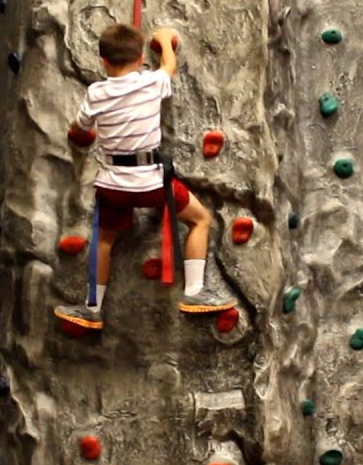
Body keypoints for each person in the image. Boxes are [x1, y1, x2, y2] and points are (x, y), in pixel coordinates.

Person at [54, 23, 237, 331]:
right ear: (140, 59)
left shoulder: (96, 93)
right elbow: (169, 66)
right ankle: (193, 291)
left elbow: (80, 128)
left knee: (105, 240)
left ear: (103, 61)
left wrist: (79, 134)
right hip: (151, 183)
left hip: (113, 184)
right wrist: (165, 41)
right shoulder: (151, 83)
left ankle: (93, 307)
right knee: (200, 219)